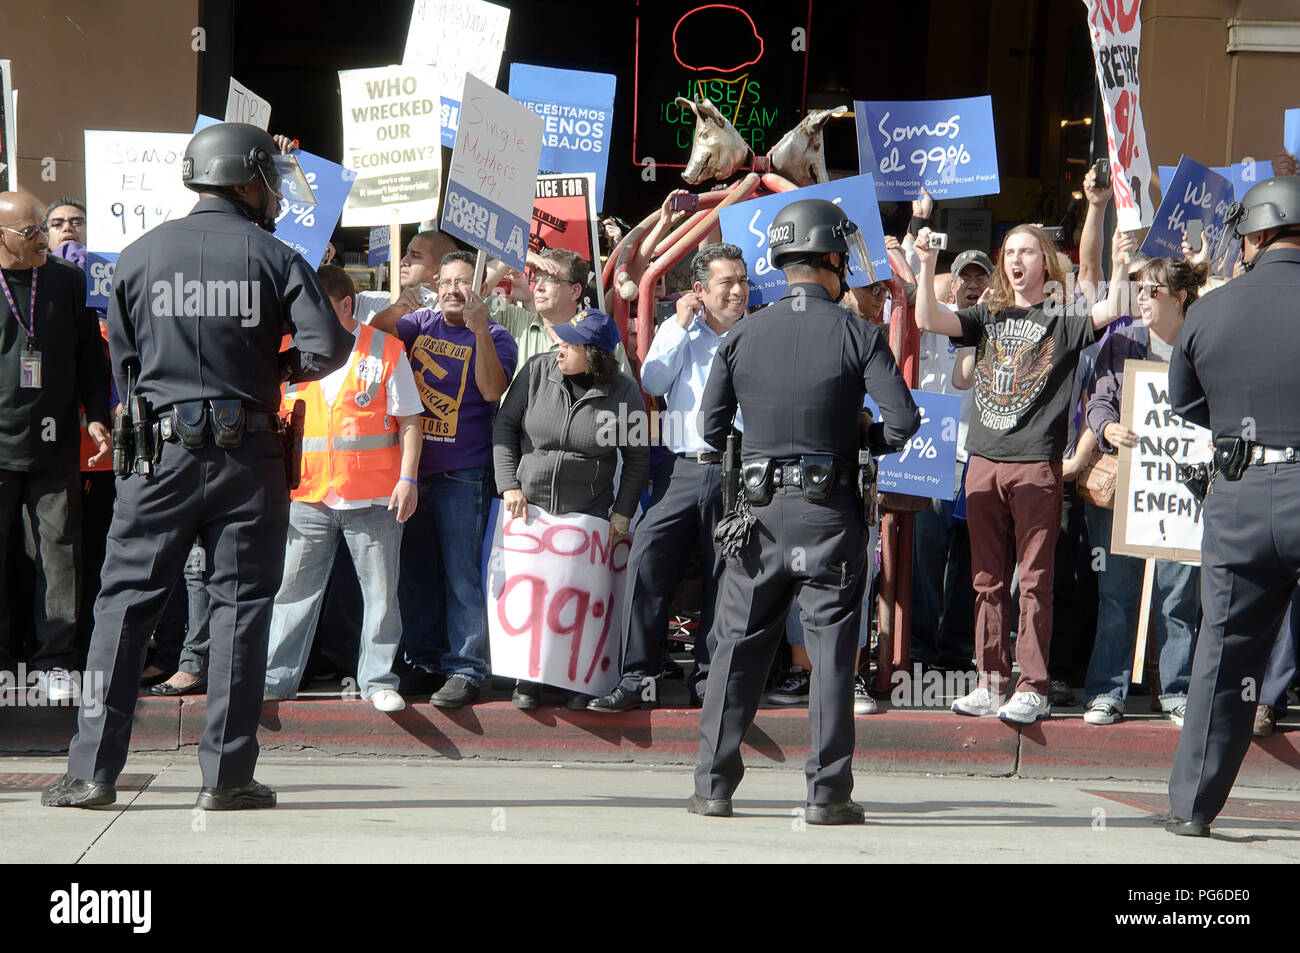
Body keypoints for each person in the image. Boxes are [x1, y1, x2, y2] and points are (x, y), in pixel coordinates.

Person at [43, 122, 353, 811]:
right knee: (240, 610)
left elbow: (122, 357)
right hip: (248, 456)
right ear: (245, 180)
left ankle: (92, 771)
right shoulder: (275, 257)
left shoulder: (138, 255)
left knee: (122, 609)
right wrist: (270, 367)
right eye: (270, 180)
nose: (275, 195)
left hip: (156, 458)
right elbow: (328, 346)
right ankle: (227, 777)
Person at [691, 198, 920, 824]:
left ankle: (713, 787)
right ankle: (826, 794)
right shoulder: (859, 333)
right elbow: (901, 424)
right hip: (829, 512)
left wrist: (762, 447)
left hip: (757, 515)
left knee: (736, 649)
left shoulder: (741, 334)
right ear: (833, 260)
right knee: (831, 656)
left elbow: (711, 430)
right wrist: (856, 437)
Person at [914, 222, 1120, 724]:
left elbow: (1114, 308)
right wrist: (923, 265)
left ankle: (1032, 687)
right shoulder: (989, 313)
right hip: (984, 462)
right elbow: (929, 318)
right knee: (985, 580)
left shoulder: (1065, 318)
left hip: (1035, 465)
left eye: (1026, 251)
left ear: (1044, 261)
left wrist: (1121, 256)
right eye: (1009, 251)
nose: (1015, 259)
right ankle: (989, 681)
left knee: (1034, 581)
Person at [1165, 175, 1300, 836]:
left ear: (1255, 235)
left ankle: (1194, 808)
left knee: (1221, 656)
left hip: (1241, 493)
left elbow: (1186, 403)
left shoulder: (1209, 310)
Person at [587, 242, 747, 713]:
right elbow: (653, 382)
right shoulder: (680, 331)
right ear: (700, 289)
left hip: (739, 469)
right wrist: (678, 324)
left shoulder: (759, 332)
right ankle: (640, 675)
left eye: (742, 281)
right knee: (647, 559)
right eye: (727, 282)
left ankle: (709, 681)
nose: (738, 291)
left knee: (728, 574)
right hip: (682, 467)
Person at [263, 264, 422, 711]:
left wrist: (408, 478)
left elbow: (411, 419)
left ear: (346, 305)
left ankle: (378, 680)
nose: (305, 315)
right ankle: (275, 678)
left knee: (380, 594)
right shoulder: (291, 352)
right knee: (293, 591)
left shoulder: (385, 350)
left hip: (373, 494)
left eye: (318, 306)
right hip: (309, 494)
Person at [369, 250, 517, 708]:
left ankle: (468, 667)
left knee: (460, 577)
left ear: (481, 289)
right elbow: (370, 336)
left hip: (463, 474)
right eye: (445, 282)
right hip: (412, 475)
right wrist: (400, 305)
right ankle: (426, 660)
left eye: (462, 282)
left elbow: (493, 390)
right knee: (417, 575)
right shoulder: (420, 326)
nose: (453, 291)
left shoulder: (497, 336)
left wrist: (478, 330)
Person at [493, 309, 649, 708]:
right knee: (532, 599)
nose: (559, 349)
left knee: (577, 599)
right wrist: (509, 484)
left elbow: (636, 458)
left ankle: (577, 679)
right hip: (529, 510)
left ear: (594, 353)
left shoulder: (624, 392)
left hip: (588, 515)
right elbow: (505, 427)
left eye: (569, 343)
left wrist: (622, 511)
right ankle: (529, 679)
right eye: (560, 342)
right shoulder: (537, 371)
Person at [1081, 252, 1206, 728]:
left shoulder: (1199, 344)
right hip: (1128, 486)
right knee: (1117, 592)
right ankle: (1107, 692)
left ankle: (1175, 692)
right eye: (1138, 288)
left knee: (1178, 595)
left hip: (1182, 491)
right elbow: (1100, 400)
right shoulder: (1123, 340)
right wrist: (1109, 430)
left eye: (1152, 289)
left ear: (1180, 297)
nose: (1142, 297)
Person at [0, 192, 111, 694]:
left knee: (60, 551)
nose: (43, 239)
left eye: (42, 228)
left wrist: (96, 417)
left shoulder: (69, 282)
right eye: (30, 232)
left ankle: (57, 661)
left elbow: (92, 356)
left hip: (55, 440)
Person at [356, 229, 459, 326]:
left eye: (416, 255)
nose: (403, 262)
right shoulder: (371, 300)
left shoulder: (448, 319)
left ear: (442, 268)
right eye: (407, 253)